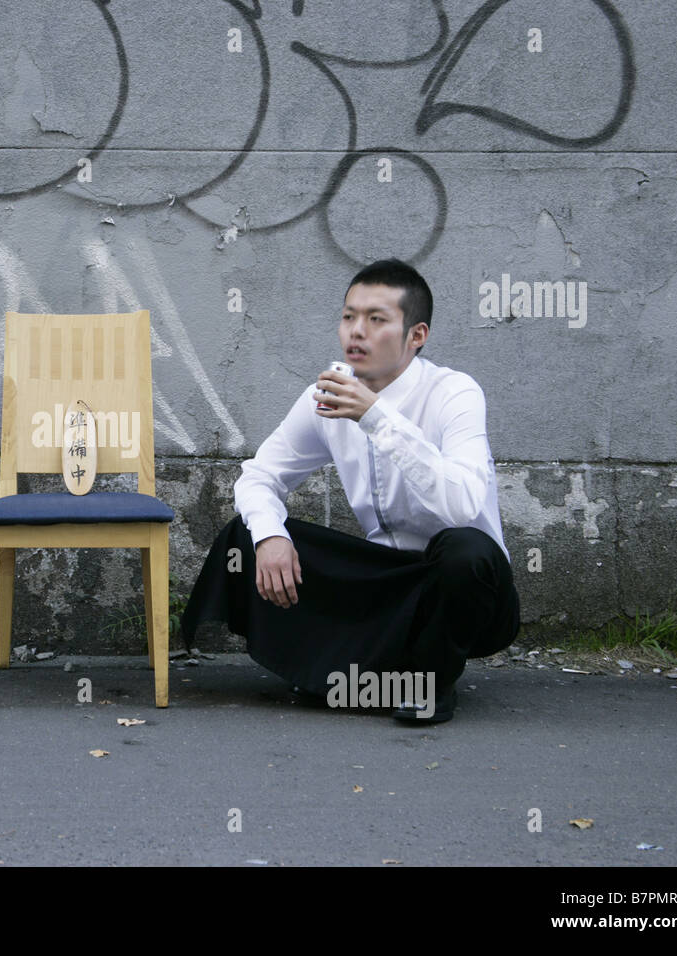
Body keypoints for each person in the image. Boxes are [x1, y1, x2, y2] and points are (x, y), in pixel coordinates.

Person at [178, 259, 519, 723]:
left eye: (376, 320)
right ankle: (344, 676)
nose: (356, 331)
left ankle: (432, 683)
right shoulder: (328, 391)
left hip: (465, 591)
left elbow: (462, 505)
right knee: (248, 534)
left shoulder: (454, 393)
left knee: (467, 550)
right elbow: (259, 476)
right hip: (385, 589)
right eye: (348, 316)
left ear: (415, 335)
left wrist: (376, 418)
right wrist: (271, 537)